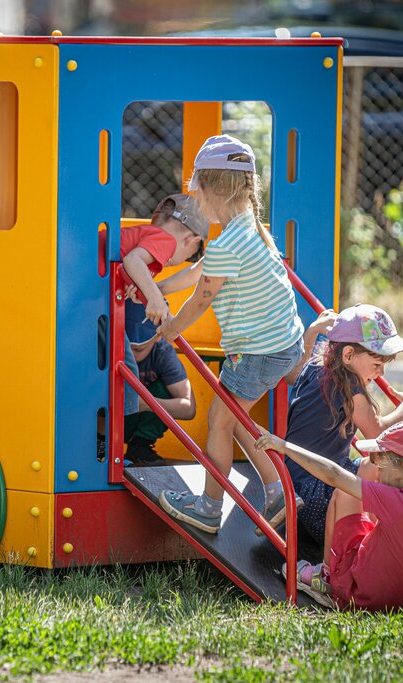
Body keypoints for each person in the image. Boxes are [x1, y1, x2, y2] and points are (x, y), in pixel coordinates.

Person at [155, 134, 305, 534]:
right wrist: (160, 288)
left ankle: (209, 506)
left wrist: (168, 331)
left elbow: (200, 302)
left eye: (197, 190)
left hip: (259, 352)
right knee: (237, 418)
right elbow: (201, 273)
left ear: (208, 190)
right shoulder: (251, 230)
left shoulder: (228, 245)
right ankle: (276, 494)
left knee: (218, 420)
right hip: (285, 344)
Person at [256, 420, 403, 612]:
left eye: (379, 463)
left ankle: (327, 579)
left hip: (361, 595)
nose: (377, 471)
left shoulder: (400, 502)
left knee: (345, 491)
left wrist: (284, 446)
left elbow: (334, 475)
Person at [277, 304, 403, 552]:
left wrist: (311, 332)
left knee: (375, 465)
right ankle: (392, 544)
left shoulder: (318, 368)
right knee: (383, 465)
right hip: (317, 499)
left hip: (295, 490)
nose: (381, 373)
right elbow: (378, 433)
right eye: (377, 365)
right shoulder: (350, 388)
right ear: (348, 355)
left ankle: (398, 539)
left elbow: (292, 375)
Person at [110, 193, 209, 418]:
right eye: (188, 256)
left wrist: (140, 287)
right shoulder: (166, 241)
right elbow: (132, 260)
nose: (179, 261)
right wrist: (154, 297)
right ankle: (114, 438)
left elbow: (129, 265)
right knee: (125, 372)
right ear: (191, 241)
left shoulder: (148, 236)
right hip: (87, 302)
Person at [121, 302, 197, 466]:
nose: (132, 357)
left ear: (157, 337)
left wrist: (146, 403)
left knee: (166, 389)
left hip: (140, 416)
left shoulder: (163, 353)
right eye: (127, 348)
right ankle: (101, 449)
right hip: (114, 421)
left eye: (139, 350)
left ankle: (139, 446)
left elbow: (188, 408)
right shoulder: (109, 348)